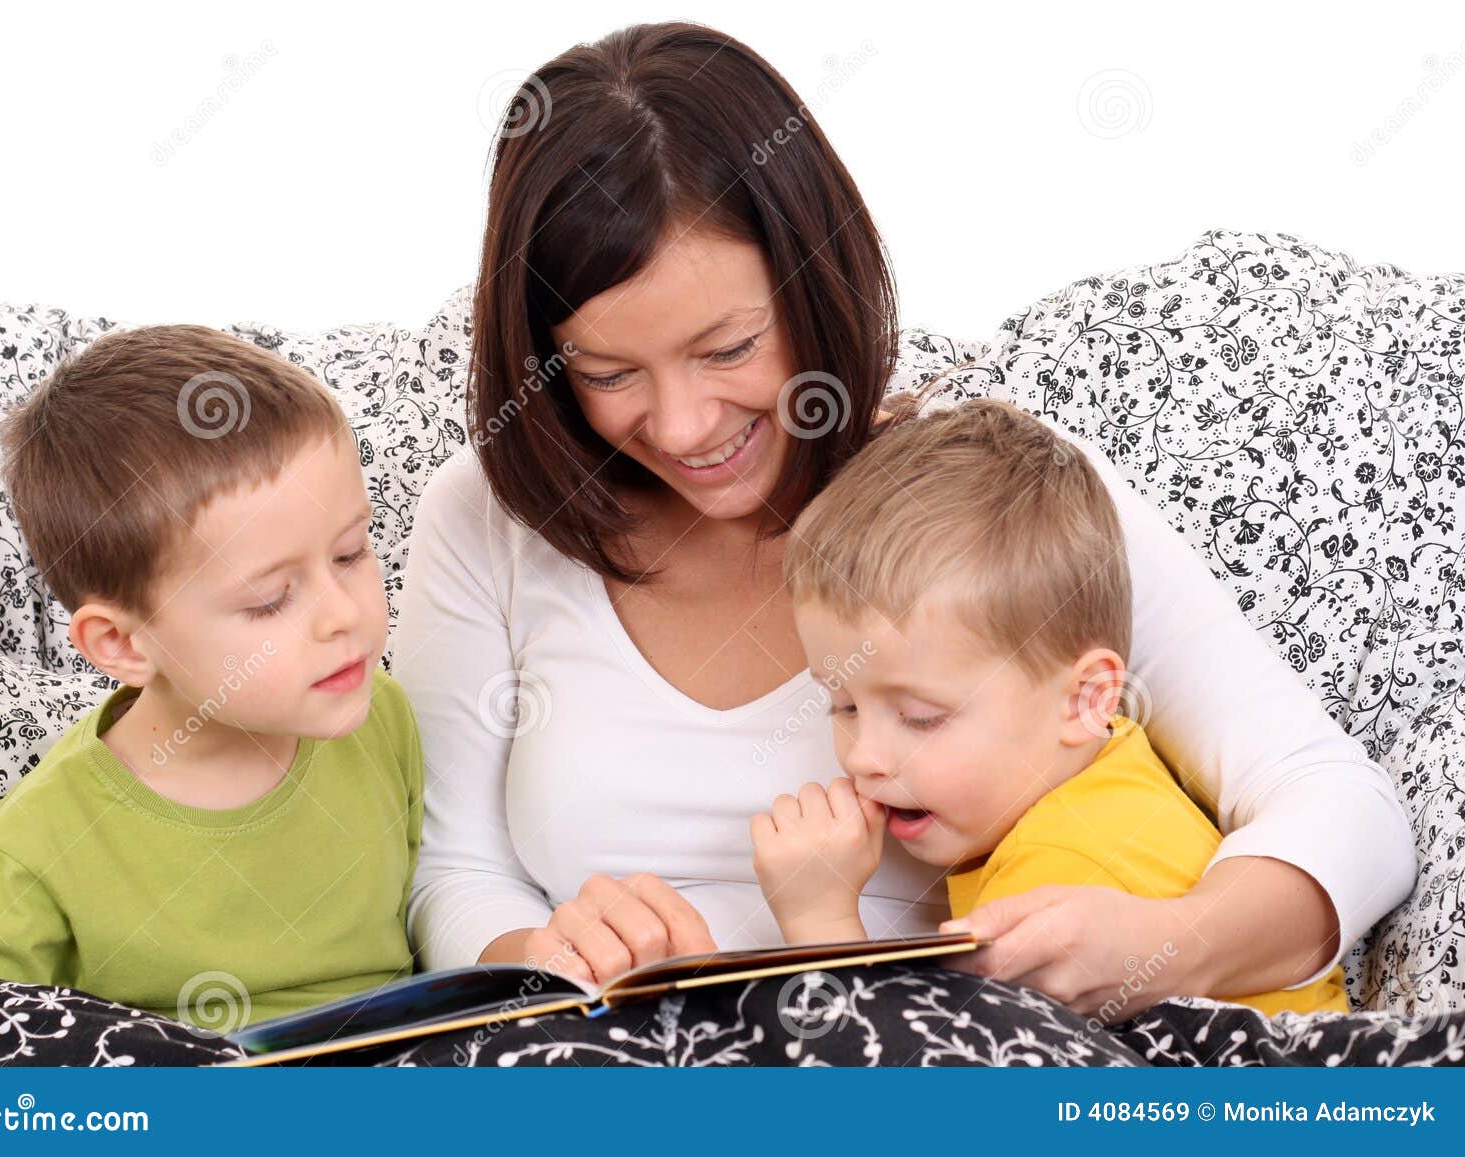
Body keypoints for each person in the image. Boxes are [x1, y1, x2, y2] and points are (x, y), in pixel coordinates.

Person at [391, 21, 1414, 1018]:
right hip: (606, 1064)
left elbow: (1343, 809)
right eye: (610, 372)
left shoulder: (988, 508)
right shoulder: (490, 518)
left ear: (816, 279)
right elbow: (453, 870)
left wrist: (1160, 947)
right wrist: (548, 959)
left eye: (729, 347)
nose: (684, 423)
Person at [750, 398, 1348, 1015]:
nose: (865, 758)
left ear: (1086, 699)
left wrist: (819, 920)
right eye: (842, 706)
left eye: (920, 717)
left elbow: (930, 1089)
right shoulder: (1105, 773)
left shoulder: (1058, 875)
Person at [0, 326, 424, 1029]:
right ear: (124, 643)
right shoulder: (36, 853)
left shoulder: (387, 719)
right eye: (269, 599)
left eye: (350, 552)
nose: (344, 614)